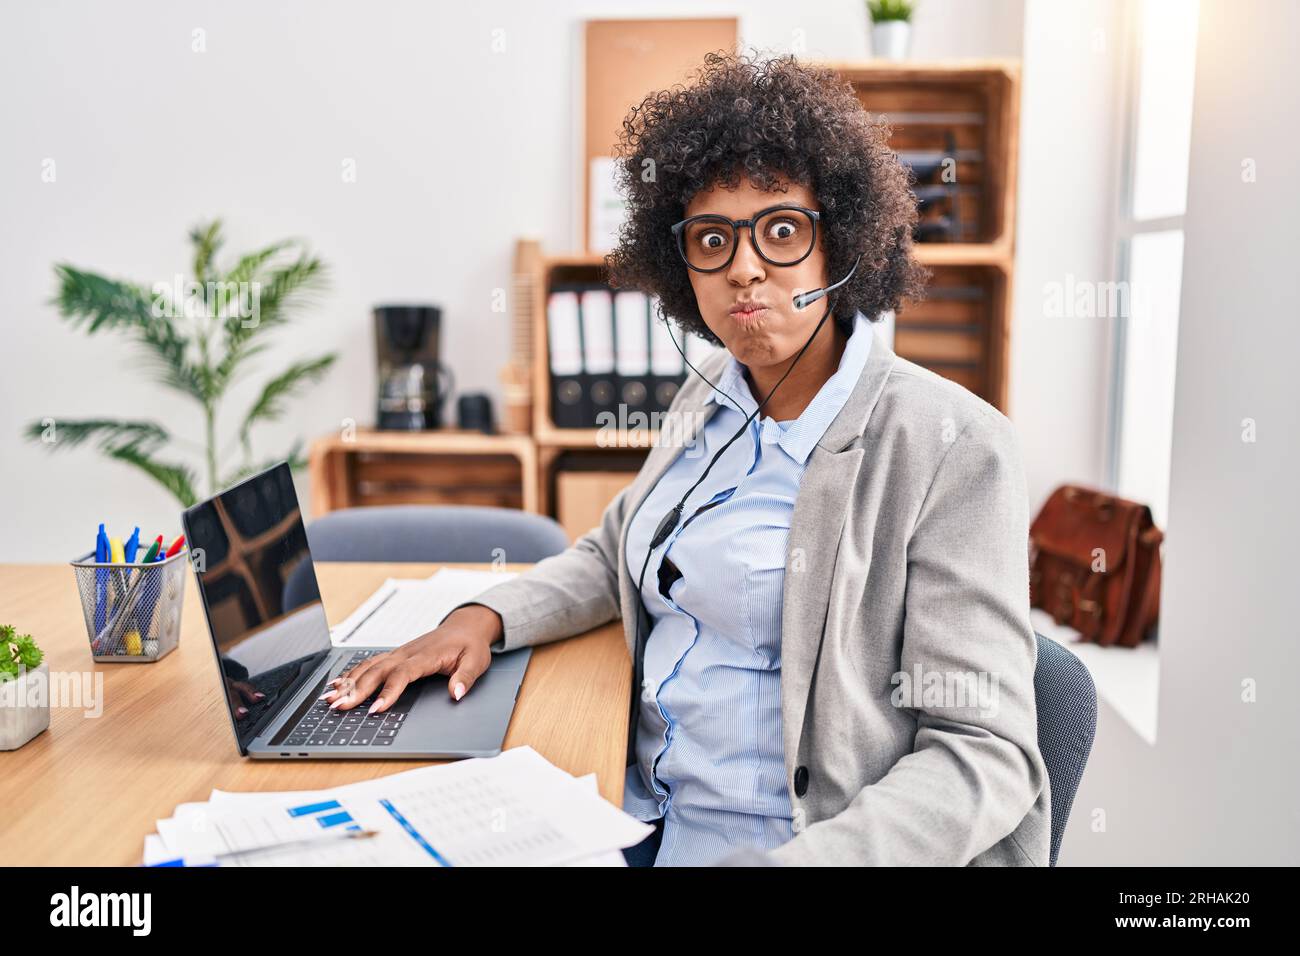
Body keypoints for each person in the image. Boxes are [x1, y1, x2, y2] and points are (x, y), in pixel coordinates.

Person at [323, 50, 1050, 867]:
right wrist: (483, 618)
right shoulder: (710, 391)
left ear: (839, 242)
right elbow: (613, 553)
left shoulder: (952, 446)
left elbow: (985, 753)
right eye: (712, 238)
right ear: (682, 268)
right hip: (635, 812)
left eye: (781, 229)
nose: (743, 266)